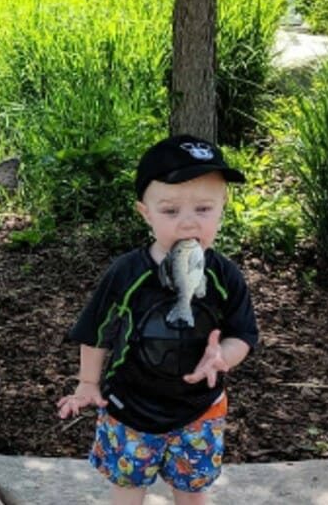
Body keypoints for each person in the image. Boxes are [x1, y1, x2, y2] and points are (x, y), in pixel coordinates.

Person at [56, 134, 260, 505]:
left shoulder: (225, 276)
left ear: (223, 207)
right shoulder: (126, 272)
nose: (188, 223)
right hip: (130, 409)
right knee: (128, 489)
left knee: (192, 493)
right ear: (145, 212)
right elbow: (96, 331)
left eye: (203, 209)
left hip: (200, 409)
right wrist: (87, 382)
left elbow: (243, 333)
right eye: (170, 211)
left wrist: (224, 357)